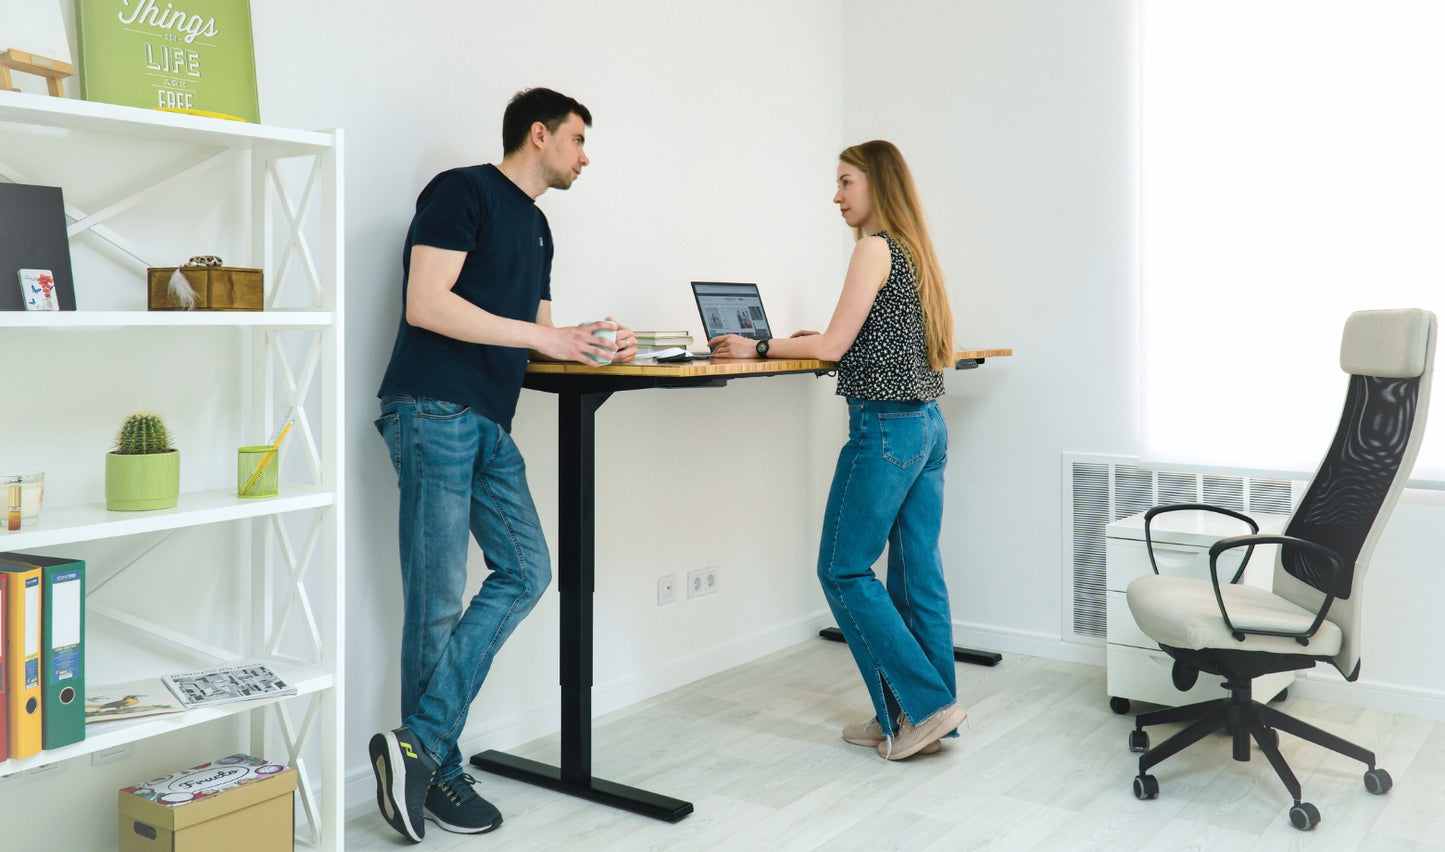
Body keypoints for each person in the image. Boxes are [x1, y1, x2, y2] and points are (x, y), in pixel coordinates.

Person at [369, 87, 639, 842]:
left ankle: (418, 742)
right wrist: (546, 338)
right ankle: (436, 774)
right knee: (437, 600)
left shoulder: (540, 228)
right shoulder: (462, 191)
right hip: (432, 410)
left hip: (488, 419)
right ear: (539, 132)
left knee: (526, 570)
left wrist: (589, 342)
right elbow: (427, 303)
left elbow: (535, 335)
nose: (585, 158)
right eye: (579, 140)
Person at [709, 140, 963, 761]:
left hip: (884, 431)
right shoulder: (912, 251)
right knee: (916, 577)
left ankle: (923, 708)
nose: (837, 195)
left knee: (843, 570)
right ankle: (920, 715)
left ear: (877, 184)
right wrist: (812, 341)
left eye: (846, 182)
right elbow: (847, 341)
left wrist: (758, 346)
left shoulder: (873, 248)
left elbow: (830, 349)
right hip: (926, 426)